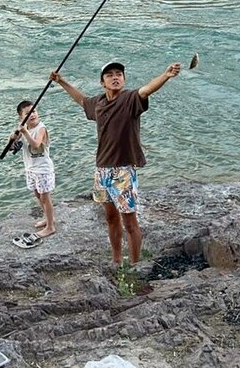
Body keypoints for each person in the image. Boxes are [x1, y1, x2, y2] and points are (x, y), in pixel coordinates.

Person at [50, 61, 181, 265]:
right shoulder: (98, 103)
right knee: (110, 217)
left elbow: (147, 90)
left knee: (129, 221)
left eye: (119, 74)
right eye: (109, 75)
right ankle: (117, 260)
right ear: (102, 82)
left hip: (123, 170)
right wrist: (62, 82)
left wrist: (166, 75)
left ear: (124, 79)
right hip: (101, 169)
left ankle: (135, 265)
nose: (115, 77)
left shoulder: (130, 99)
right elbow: (81, 100)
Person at [12, 100, 56, 242]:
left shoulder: (41, 128)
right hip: (30, 169)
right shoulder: (23, 129)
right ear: (21, 117)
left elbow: (36, 145)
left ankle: (50, 226)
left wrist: (24, 132)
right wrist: (12, 138)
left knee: (45, 197)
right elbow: (13, 146)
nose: (32, 115)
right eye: (27, 113)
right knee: (37, 195)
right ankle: (47, 218)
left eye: (34, 111)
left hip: (43, 169)